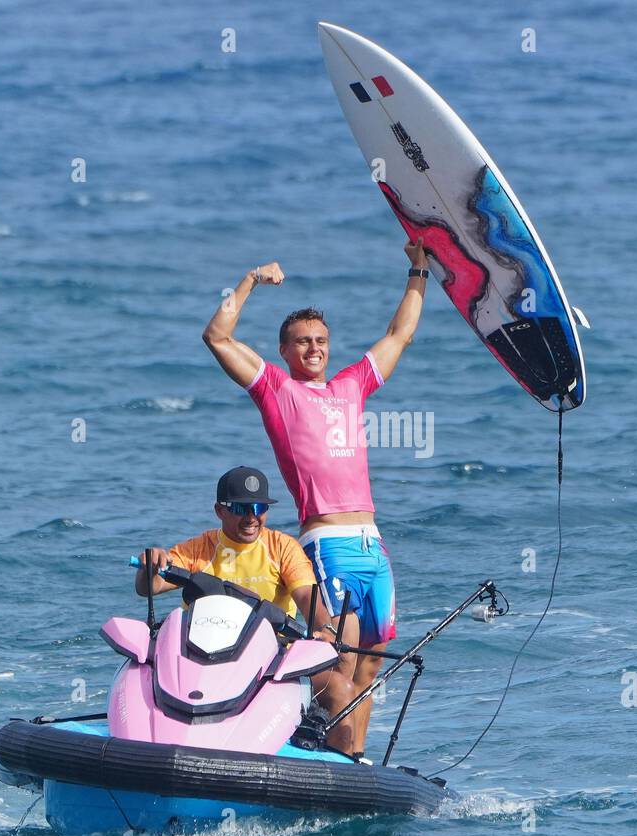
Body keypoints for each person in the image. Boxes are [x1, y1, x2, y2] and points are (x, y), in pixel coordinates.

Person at [201, 238, 430, 760]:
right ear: (285, 351)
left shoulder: (352, 385)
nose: (314, 349)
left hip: (372, 544)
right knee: (337, 661)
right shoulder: (276, 391)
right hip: (327, 543)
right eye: (302, 342)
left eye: (321, 340)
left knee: (371, 663)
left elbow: (401, 333)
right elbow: (217, 336)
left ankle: (355, 761)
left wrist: (418, 270)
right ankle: (324, 758)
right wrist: (251, 279)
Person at [135, 465, 356, 751]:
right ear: (220, 511)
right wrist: (149, 565)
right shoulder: (198, 549)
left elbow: (307, 597)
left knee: (341, 689)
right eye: (241, 508)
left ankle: (340, 767)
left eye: (259, 508)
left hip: (273, 664)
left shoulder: (283, 548)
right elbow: (148, 587)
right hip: (201, 663)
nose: (252, 518)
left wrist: (323, 629)